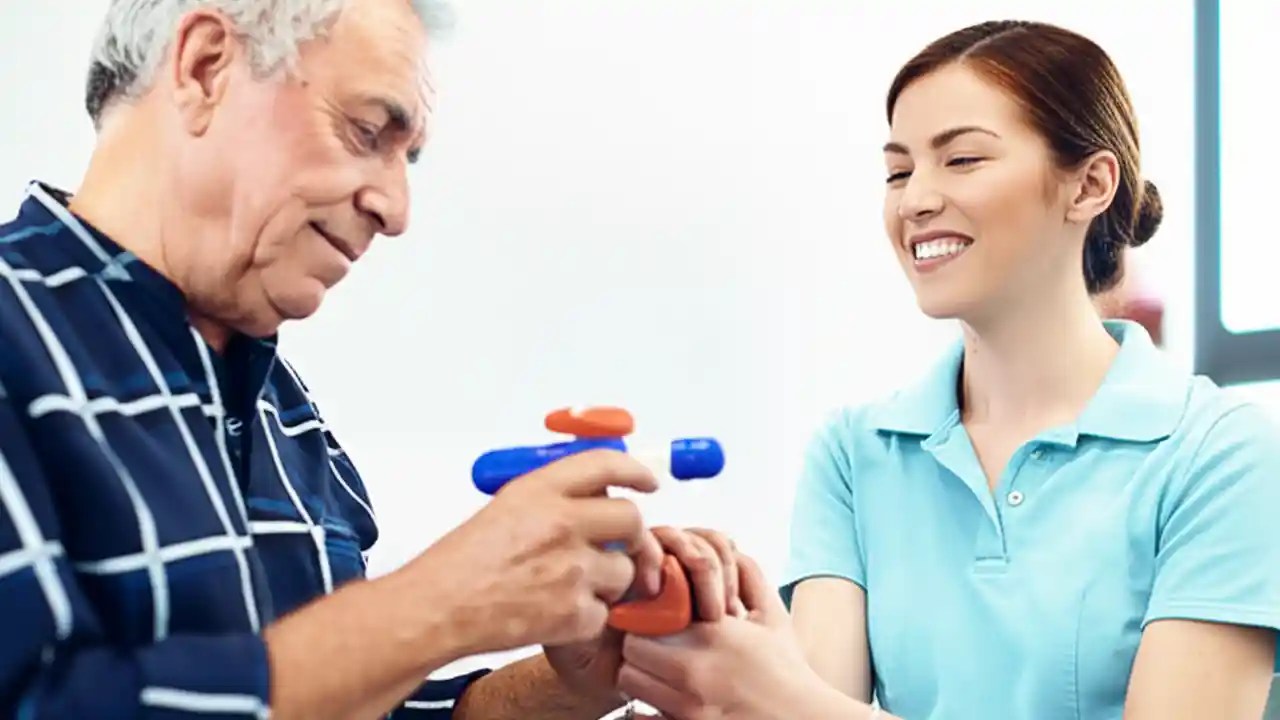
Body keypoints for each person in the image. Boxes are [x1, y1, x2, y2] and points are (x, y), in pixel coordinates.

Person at [0, 1, 744, 718]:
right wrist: (438, 604)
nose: (397, 209)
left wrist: (570, 689)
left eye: (408, 158)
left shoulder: (285, 413)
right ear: (205, 67)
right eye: (366, 132)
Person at [613, 20, 1280, 720]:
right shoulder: (854, 453)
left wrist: (772, 693)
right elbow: (809, 705)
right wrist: (718, 669)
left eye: (961, 160)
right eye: (898, 171)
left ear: (1089, 185)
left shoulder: (1223, 456)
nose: (915, 200)